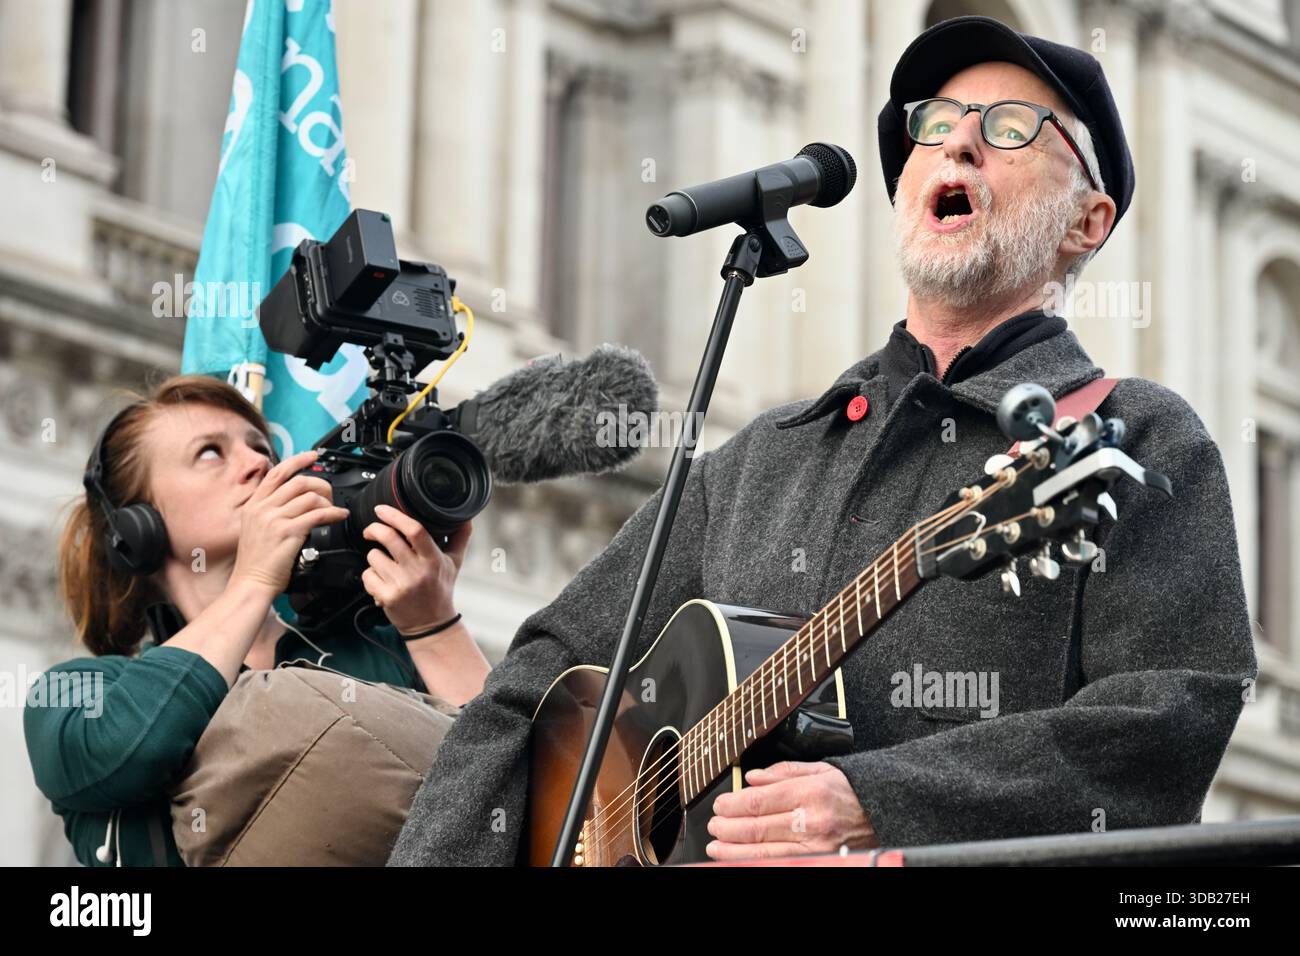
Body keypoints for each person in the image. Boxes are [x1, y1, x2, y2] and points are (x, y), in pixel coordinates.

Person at [388, 16, 1258, 866]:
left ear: (1086, 222)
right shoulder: (758, 460)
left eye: (1009, 128)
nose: (958, 144)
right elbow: (536, 677)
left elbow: (1165, 722)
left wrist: (880, 803)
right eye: (937, 125)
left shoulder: (1131, 435)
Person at [25, 374, 489, 866]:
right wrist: (254, 578)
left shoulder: (375, 651)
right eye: (210, 453)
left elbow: (531, 786)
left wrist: (434, 626)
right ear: (138, 526)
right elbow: (128, 749)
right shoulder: (80, 692)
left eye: (261, 447)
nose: (259, 464)